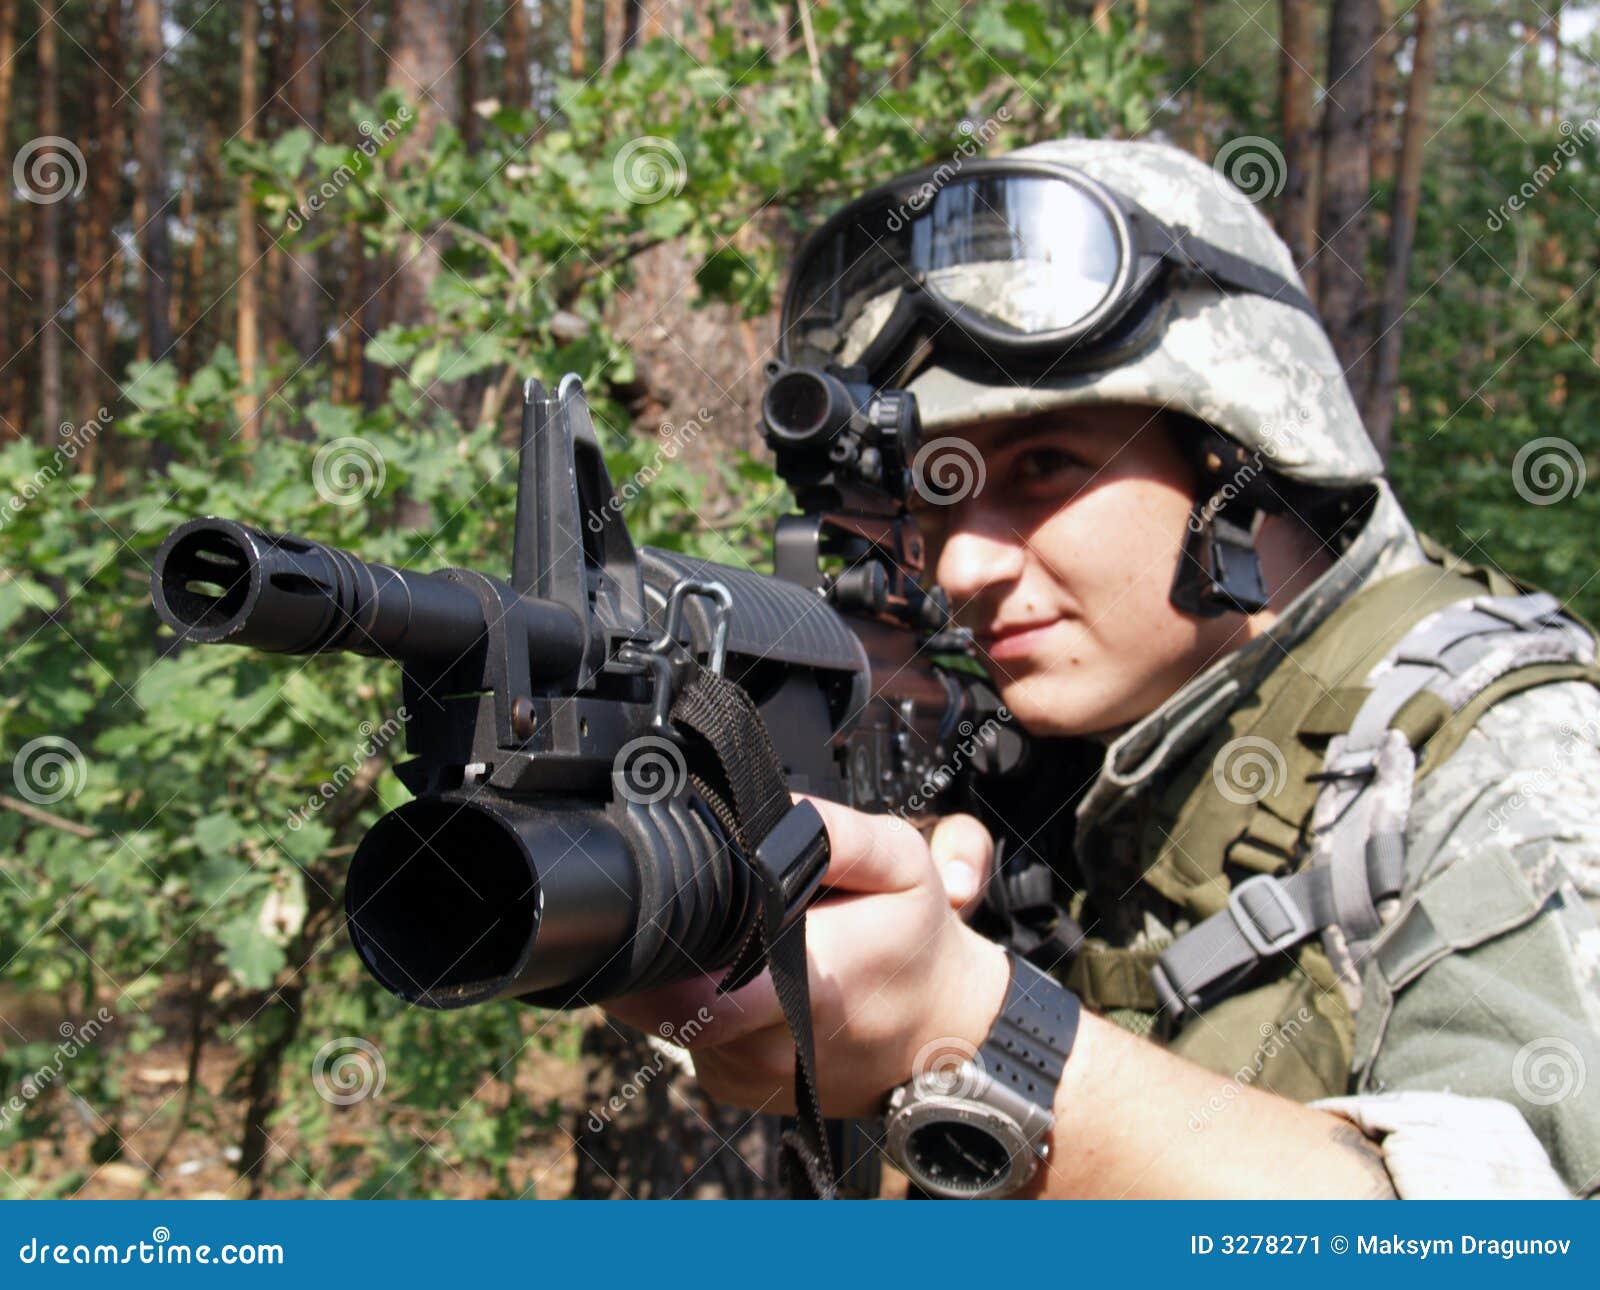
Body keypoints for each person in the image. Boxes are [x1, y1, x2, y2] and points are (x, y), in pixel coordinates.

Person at [610, 139, 1600, 1199]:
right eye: (937, 498)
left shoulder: (1506, 754)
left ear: (1237, 465)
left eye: (1043, 467)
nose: (964, 562)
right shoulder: (1074, 746)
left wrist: (977, 1037)